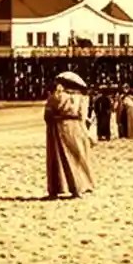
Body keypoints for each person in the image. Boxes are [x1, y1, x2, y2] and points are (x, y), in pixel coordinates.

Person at [44, 71, 95, 199]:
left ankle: (57, 188)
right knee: (78, 156)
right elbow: (83, 116)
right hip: (77, 128)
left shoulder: (57, 97)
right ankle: (80, 187)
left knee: (58, 159)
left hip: (59, 129)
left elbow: (47, 115)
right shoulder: (82, 98)